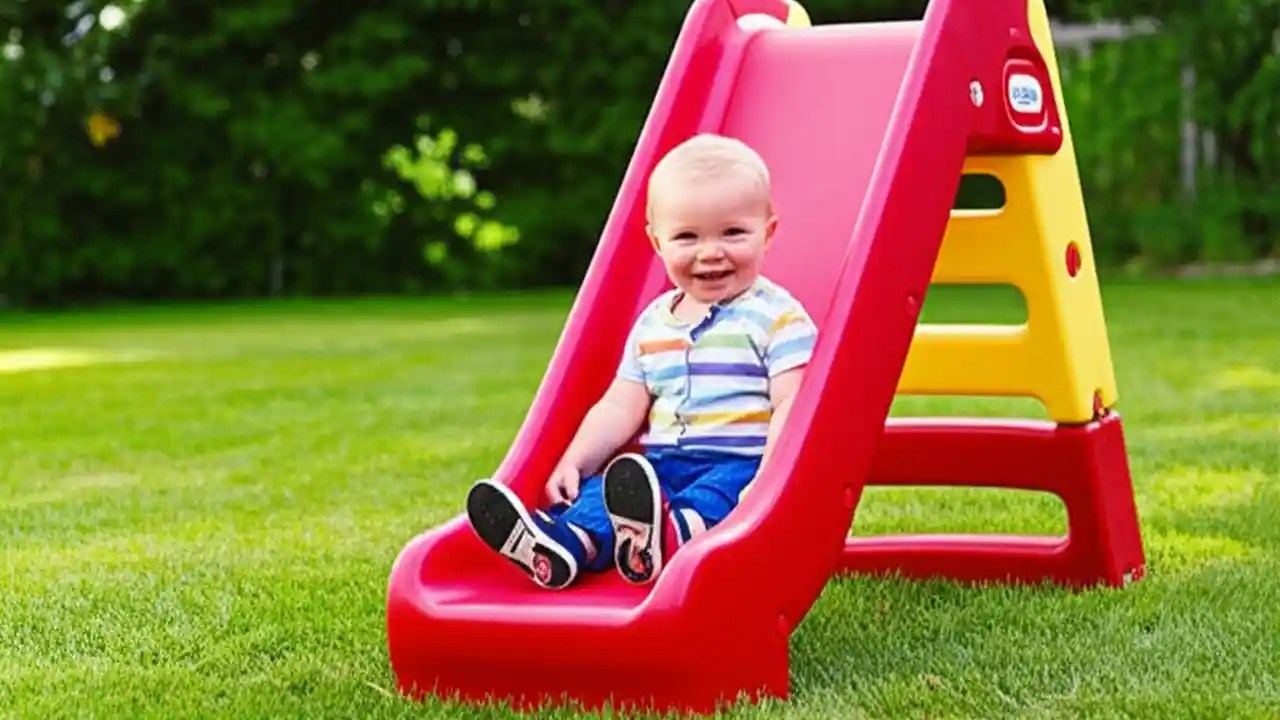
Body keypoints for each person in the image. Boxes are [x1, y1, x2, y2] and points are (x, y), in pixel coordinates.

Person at [465, 133, 818, 589]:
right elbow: (620, 406)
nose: (710, 252)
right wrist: (577, 459)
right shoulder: (654, 323)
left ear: (767, 233)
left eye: (733, 232)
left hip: (742, 460)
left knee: (715, 497)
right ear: (657, 242)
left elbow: (792, 404)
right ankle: (564, 545)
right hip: (662, 463)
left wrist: (772, 476)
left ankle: (667, 541)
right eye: (687, 237)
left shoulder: (779, 317)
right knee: (607, 493)